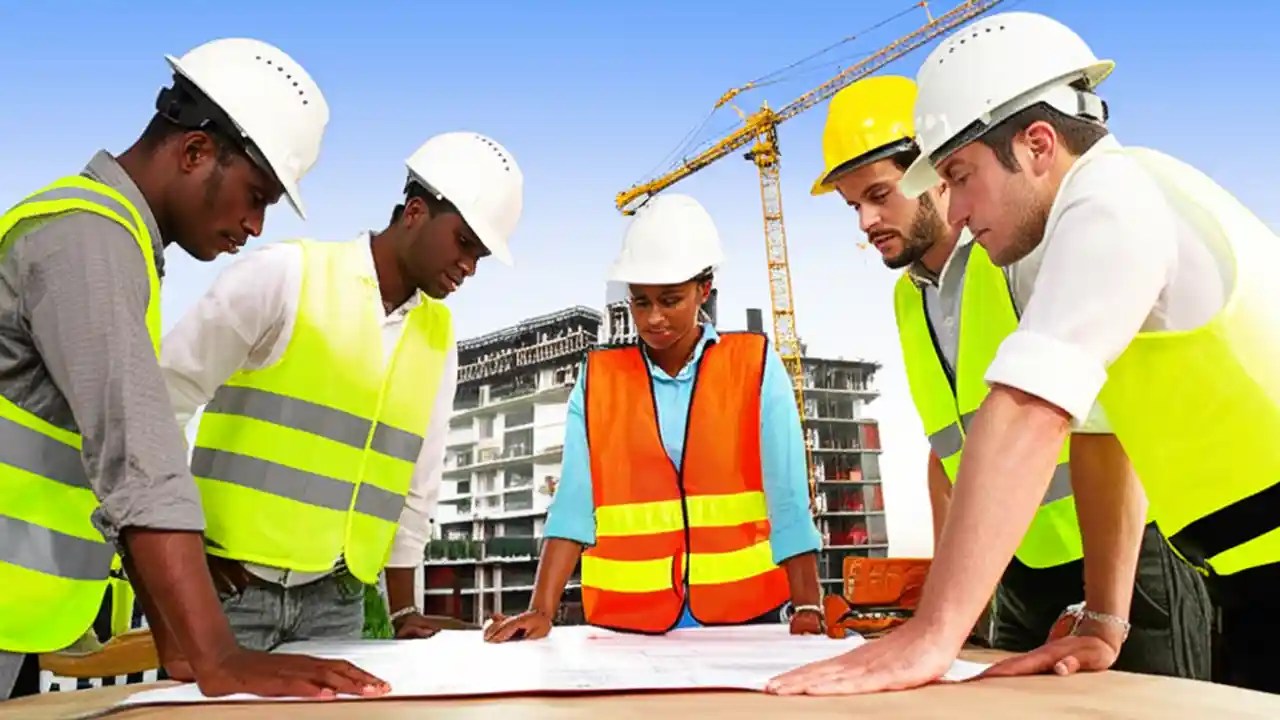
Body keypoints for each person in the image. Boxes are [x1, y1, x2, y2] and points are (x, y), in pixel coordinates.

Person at [769, 10, 1279, 696]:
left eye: (961, 174)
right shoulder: (1099, 224)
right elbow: (1099, 432)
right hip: (1247, 578)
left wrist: (931, 635)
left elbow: (1030, 408)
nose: (952, 210)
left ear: (1038, 144)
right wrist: (1104, 619)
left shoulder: (1115, 199)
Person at [0, 38, 390, 701]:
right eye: (255, 194)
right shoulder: (87, 240)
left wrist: (181, 647)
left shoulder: (110, 242)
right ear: (195, 152)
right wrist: (219, 656)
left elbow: (114, 474)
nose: (256, 224)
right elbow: (139, 458)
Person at [158, 132, 524, 651]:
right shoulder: (284, 276)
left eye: (480, 255)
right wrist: (185, 547)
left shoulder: (438, 338)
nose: (469, 265)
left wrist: (402, 608)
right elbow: (160, 400)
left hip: (338, 600)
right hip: (230, 589)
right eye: (464, 242)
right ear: (416, 212)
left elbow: (420, 479)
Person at [483, 194, 824, 642]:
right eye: (640, 302)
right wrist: (541, 609)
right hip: (626, 630)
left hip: (743, 623)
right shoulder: (599, 379)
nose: (654, 317)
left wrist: (808, 605)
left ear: (704, 290)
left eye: (671, 299)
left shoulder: (756, 365)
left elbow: (788, 497)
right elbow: (573, 505)